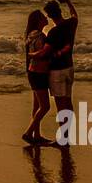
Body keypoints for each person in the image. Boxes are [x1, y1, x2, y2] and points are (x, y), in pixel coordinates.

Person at [44, 0, 79, 140]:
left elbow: (47, 52)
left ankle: (63, 138)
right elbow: (74, 14)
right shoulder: (71, 24)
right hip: (69, 68)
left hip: (57, 71)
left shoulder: (53, 32)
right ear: (59, 11)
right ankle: (67, 135)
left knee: (60, 105)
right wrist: (68, 1)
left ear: (50, 16)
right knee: (68, 102)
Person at [22, 10, 54, 144]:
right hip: (39, 73)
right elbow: (42, 54)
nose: (46, 17)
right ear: (38, 20)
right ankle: (29, 133)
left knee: (37, 106)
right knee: (45, 106)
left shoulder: (31, 34)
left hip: (32, 72)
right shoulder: (40, 36)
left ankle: (37, 135)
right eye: (43, 16)